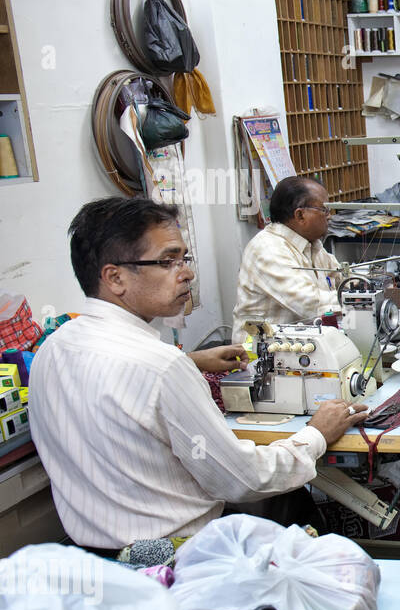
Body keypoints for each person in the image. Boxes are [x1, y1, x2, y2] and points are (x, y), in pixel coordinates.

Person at [28, 196, 368, 550]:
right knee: (297, 507)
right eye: (167, 261)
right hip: (181, 558)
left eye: (184, 258)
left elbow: (118, 381)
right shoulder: (161, 368)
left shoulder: (54, 347)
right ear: (115, 277)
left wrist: (190, 359)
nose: (187, 272)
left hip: (95, 553)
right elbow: (243, 479)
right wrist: (315, 435)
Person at [231, 175, 341, 343]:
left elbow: (342, 277)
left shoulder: (312, 245)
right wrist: (358, 301)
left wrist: (364, 285)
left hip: (305, 348)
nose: (329, 216)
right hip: (263, 356)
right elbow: (309, 304)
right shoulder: (267, 248)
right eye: (324, 210)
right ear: (300, 215)